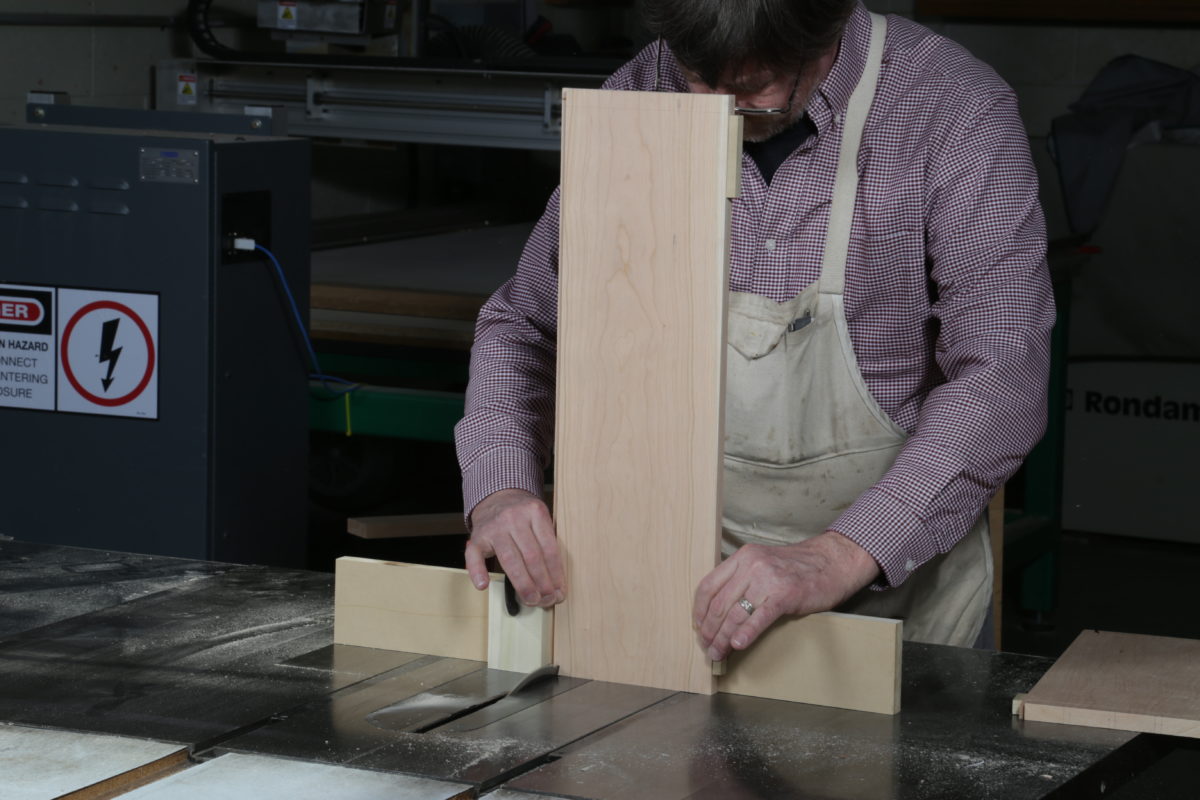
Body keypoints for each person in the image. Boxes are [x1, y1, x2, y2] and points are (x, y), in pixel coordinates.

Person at [454, 0, 1054, 659]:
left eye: (749, 89)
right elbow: (529, 328)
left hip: (893, 604)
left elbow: (1002, 371)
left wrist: (838, 555)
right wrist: (501, 484)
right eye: (697, 76)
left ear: (828, 27)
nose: (715, 106)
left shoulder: (951, 109)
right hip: (673, 607)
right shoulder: (641, 91)